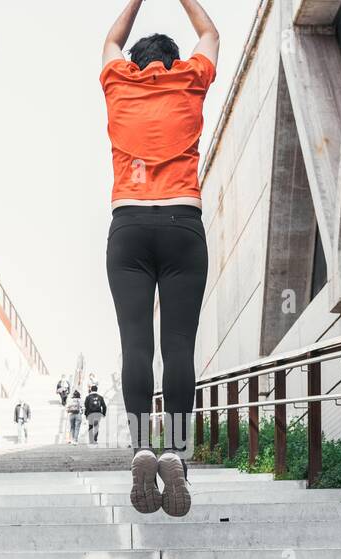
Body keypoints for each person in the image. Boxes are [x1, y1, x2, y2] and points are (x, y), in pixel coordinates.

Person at [102, 0, 218, 517]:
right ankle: (173, 448)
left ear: (135, 62)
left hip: (128, 227)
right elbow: (209, 31)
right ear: (174, 62)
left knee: (135, 345)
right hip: (181, 225)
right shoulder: (190, 81)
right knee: (178, 346)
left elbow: (111, 40)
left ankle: (140, 447)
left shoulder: (117, 84)